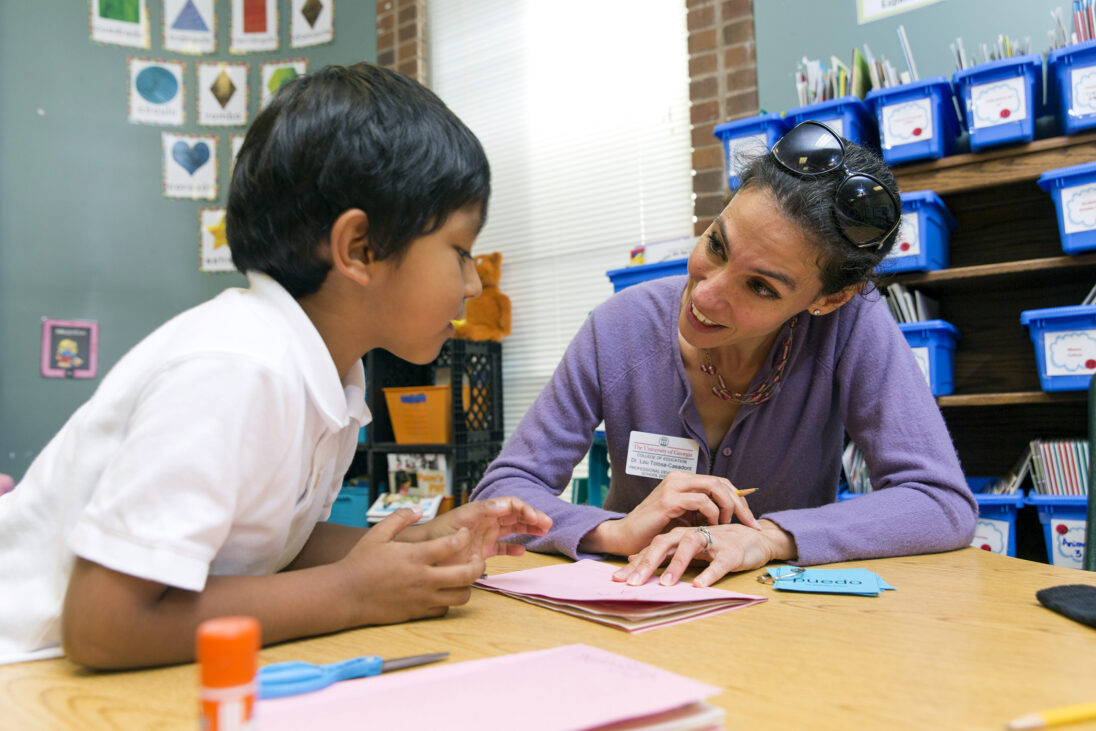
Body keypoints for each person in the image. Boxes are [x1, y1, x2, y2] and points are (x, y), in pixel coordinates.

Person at [0, 63, 551, 669]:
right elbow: (104, 626)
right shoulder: (238, 368)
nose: (474, 284)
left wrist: (416, 543)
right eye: (461, 252)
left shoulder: (332, 377)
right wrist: (352, 594)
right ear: (359, 249)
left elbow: (268, 544)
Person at [472, 120, 976, 588]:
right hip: (634, 600)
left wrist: (769, 538)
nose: (706, 296)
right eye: (716, 245)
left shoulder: (851, 326)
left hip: (785, 616)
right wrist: (616, 531)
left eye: (761, 287)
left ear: (829, 299)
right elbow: (501, 493)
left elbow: (940, 502)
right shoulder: (620, 326)